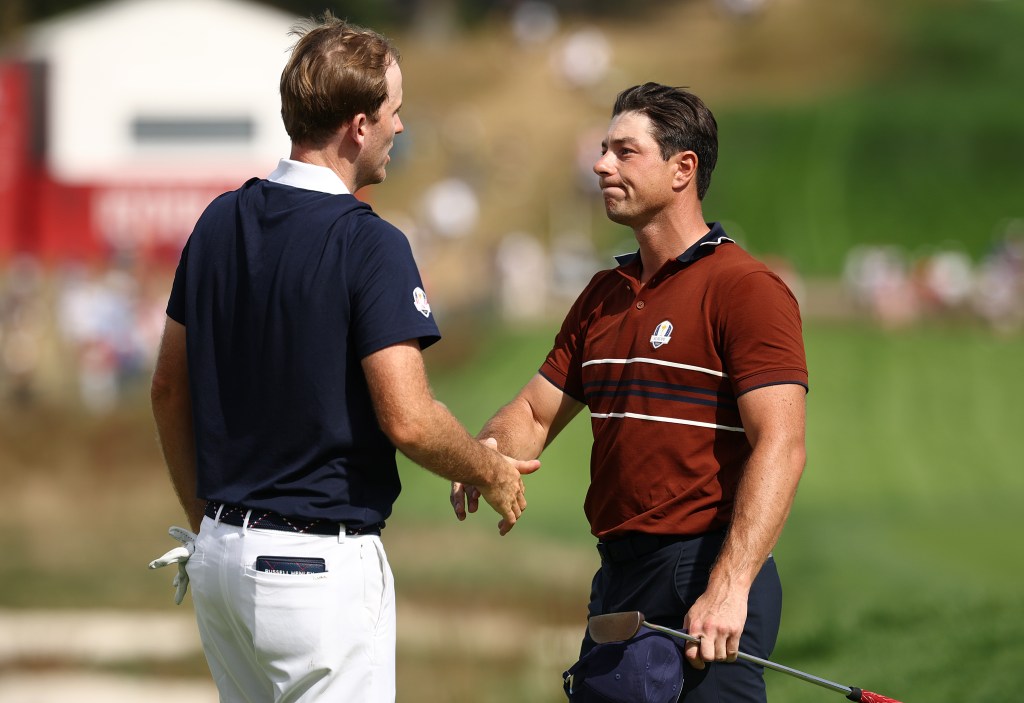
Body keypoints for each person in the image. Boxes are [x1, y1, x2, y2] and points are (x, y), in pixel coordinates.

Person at [148, 14, 539, 703]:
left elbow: (167, 390)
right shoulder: (371, 244)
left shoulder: (216, 222)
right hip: (314, 573)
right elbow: (410, 419)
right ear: (358, 125)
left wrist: (210, 522)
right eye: (394, 111)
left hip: (219, 560)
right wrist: (492, 470)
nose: (401, 127)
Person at [452, 83, 808, 702]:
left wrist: (730, 584)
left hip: (704, 571)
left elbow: (781, 443)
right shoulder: (603, 293)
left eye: (624, 151)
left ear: (682, 169)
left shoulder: (745, 288)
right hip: (619, 575)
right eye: (602, 149)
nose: (600, 164)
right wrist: (488, 452)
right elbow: (536, 410)